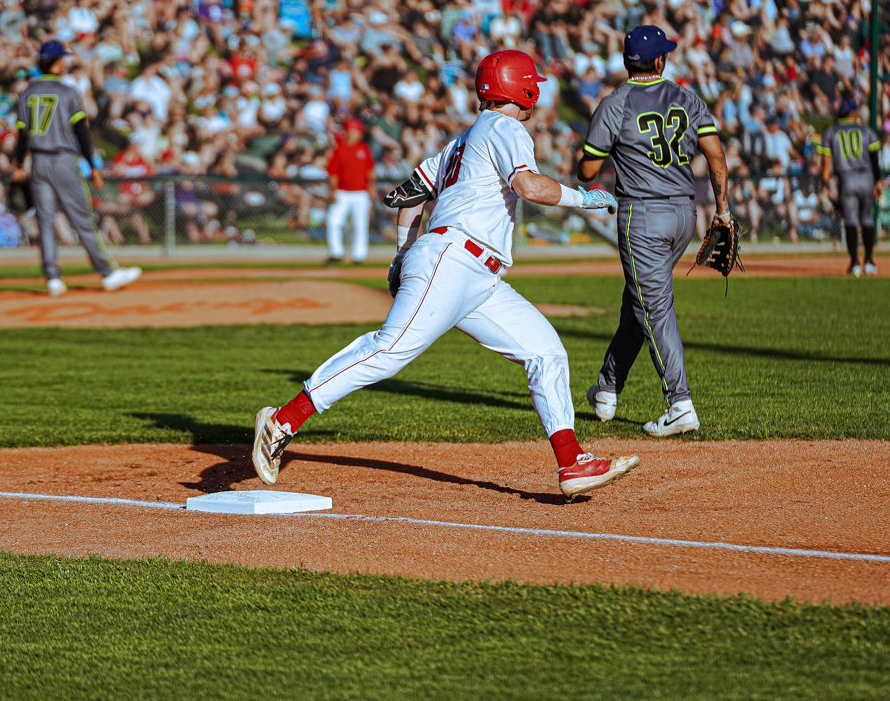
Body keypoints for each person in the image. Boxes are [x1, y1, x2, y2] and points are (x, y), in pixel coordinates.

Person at [251, 50, 638, 501]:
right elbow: (529, 187)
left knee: (546, 352)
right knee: (391, 350)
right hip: (453, 259)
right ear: (522, 89)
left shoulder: (464, 140)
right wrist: (585, 198)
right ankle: (282, 420)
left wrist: (400, 258)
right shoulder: (505, 127)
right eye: (534, 84)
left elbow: (410, 195)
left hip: (477, 275)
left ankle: (572, 462)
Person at [577, 25, 731, 437]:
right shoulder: (686, 97)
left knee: (653, 305)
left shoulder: (616, 103)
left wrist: (604, 147)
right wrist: (724, 210)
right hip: (684, 213)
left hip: (642, 215)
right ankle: (607, 388)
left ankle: (679, 403)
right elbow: (715, 154)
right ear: (659, 61)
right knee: (640, 300)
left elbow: (588, 169)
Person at [12, 41, 140, 296]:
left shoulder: (27, 93)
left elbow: (22, 134)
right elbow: (81, 131)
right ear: (57, 63)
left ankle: (53, 279)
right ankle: (107, 272)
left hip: (38, 161)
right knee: (82, 218)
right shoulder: (68, 92)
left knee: (45, 221)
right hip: (62, 160)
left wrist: (18, 164)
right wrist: (93, 165)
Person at [819, 98, 881, 276]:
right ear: (853, 113)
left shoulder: (831, 132)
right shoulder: (866, 130)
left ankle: (854, 263)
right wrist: (878, 181)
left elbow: (825, 162)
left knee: (851, 221)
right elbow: (875, 159)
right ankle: (869, 261)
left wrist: (824, 184)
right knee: (867, 219)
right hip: (866, 176)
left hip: (846, 178)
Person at [325, 118, 376, 265]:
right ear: (347, 131)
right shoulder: (339, 149)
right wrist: (332, 191)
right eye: (354, 130)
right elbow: (333, 173)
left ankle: (358, 255)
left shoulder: (364, 148)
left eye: (358, 131)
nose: (356, 134)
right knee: (334, 221)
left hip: (361, 192)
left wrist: (371, 190)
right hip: (342, 192)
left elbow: (370, 171)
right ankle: (336, 252)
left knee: (360, 225)